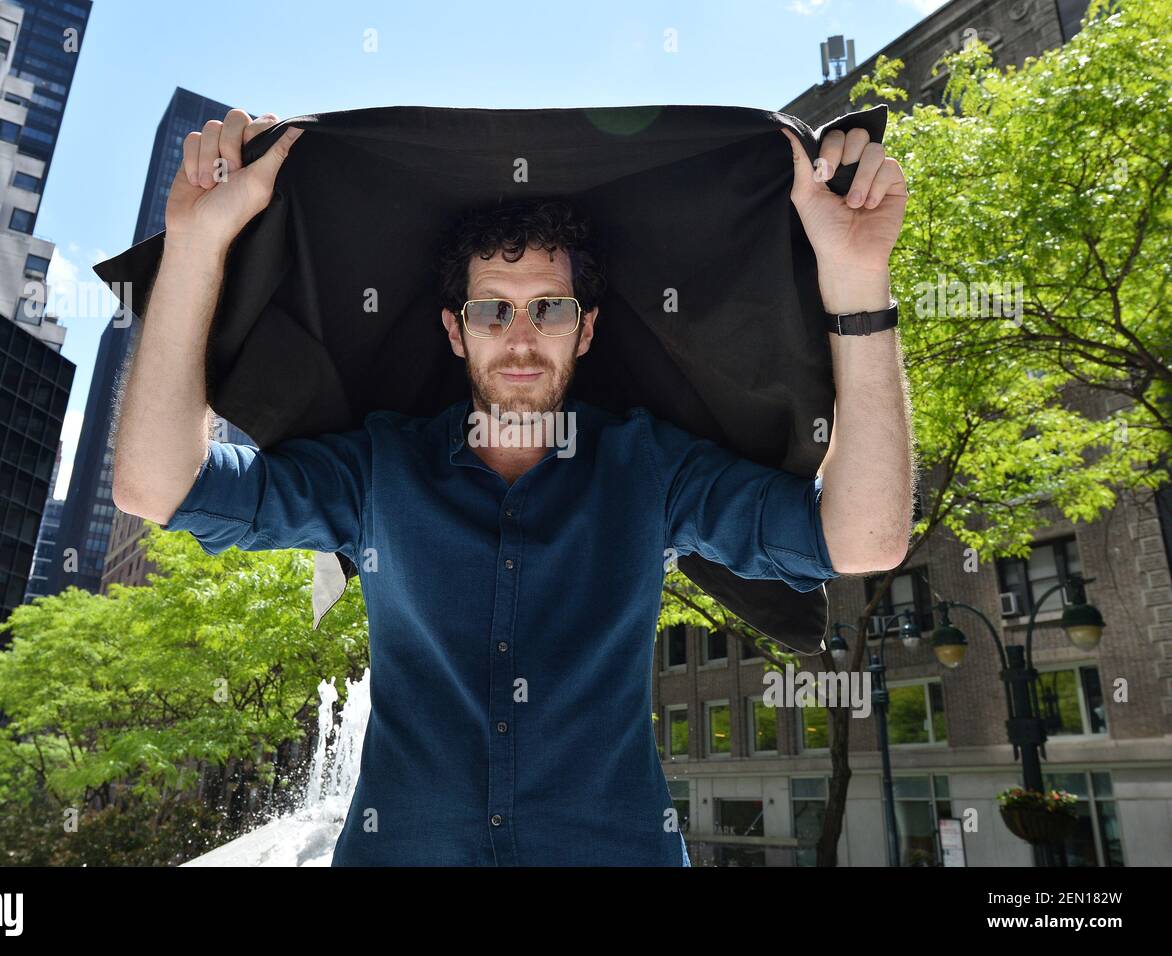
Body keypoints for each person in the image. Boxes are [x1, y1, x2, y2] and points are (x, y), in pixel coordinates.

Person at [112, 109, 914, 866]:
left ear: (587, 327)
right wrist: (195, 243)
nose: (521, 339)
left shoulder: (652, 469)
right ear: (456, 331)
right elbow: (159, 485)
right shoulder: (375, 470)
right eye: (493, 310)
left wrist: (856, 275)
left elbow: (863, 539)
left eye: (549, 308)